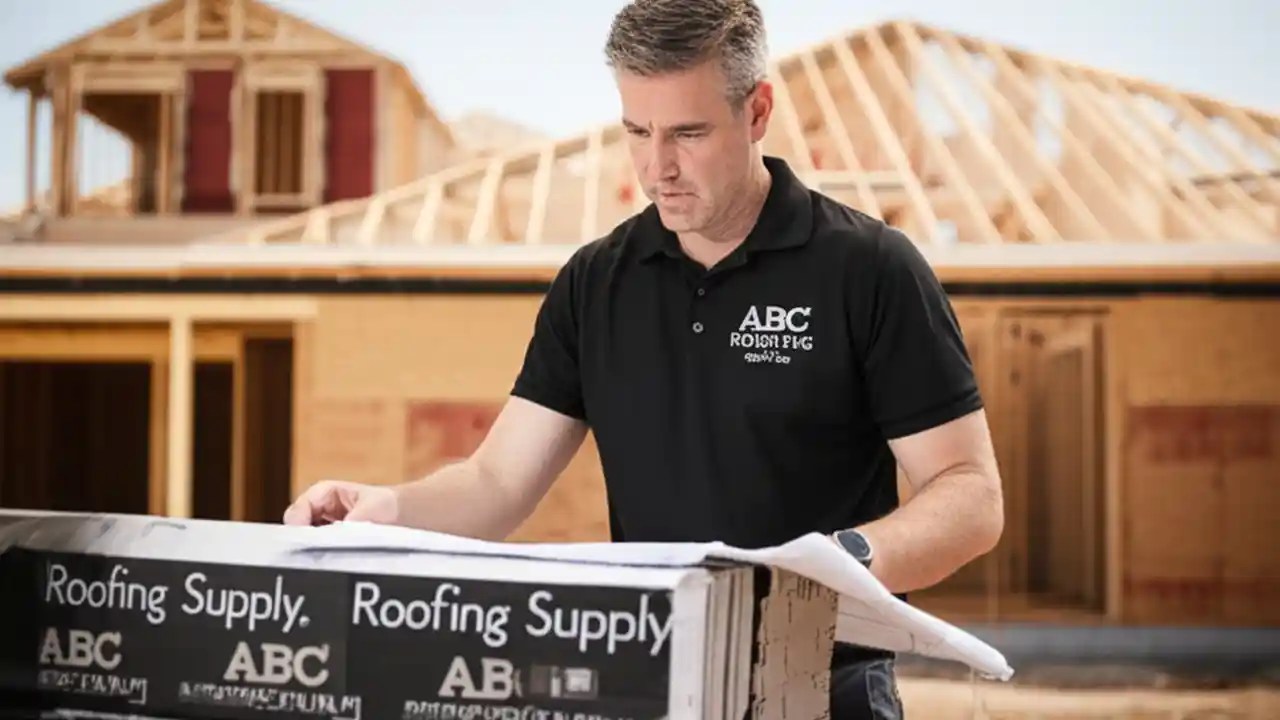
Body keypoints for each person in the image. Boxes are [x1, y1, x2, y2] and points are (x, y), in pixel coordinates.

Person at [283, 0, 1004, 716]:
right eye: (636, 131)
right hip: (656, 680)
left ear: (757, 112)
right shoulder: (597, 283)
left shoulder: (869, 269)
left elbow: (969, 495)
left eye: (688, 133)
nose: (657, 167)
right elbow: (497, 481)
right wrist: (387, 512)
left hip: (823, 684)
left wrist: (837, 563)